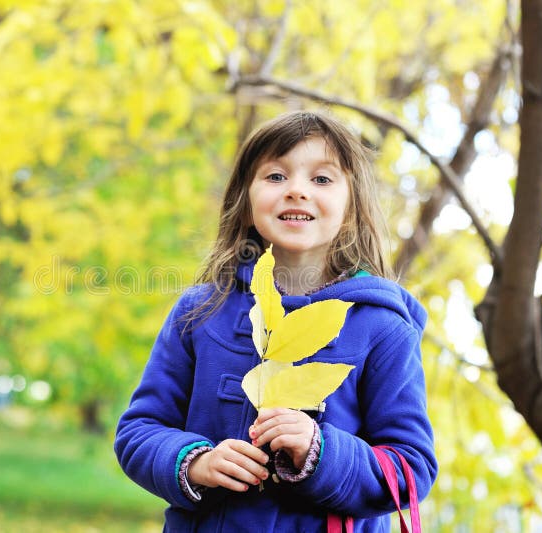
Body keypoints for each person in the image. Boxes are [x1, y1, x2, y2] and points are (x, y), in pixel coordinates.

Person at [114, 110, 437, 532]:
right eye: (276, 177)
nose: (297, 191)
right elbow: (139, 430)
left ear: (351, 209)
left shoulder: (383, 328)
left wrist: (320, 451)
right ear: (245, 204)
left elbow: (410, 470)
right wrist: (196, 462)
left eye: (321, 179)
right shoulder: (200, 313)